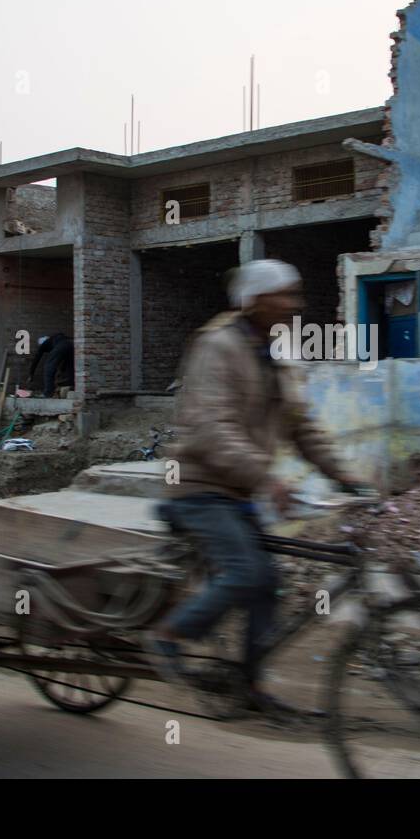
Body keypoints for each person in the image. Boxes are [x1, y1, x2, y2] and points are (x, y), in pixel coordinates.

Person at [143, 259, 369, 714]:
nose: (295, 305)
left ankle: (250, 684)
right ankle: (168, 635)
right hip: (197, 490)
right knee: (247, 573)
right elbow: (210, 427)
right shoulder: (217, 346)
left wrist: (347, 476)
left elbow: (303, 429)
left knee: (267, 585)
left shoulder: (275, 357)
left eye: (295, 294)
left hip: (238, 495)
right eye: (285, 295)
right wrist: (264, 477)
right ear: (255, 301)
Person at [28, 333, 73, 397]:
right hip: (71, 345)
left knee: (48, 366)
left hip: (62, 346)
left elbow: (36, 359)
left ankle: (48, 392)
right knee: (69, 367)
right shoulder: (57, 338)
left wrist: (31, 374)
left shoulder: (43, 344)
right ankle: (71, 385)